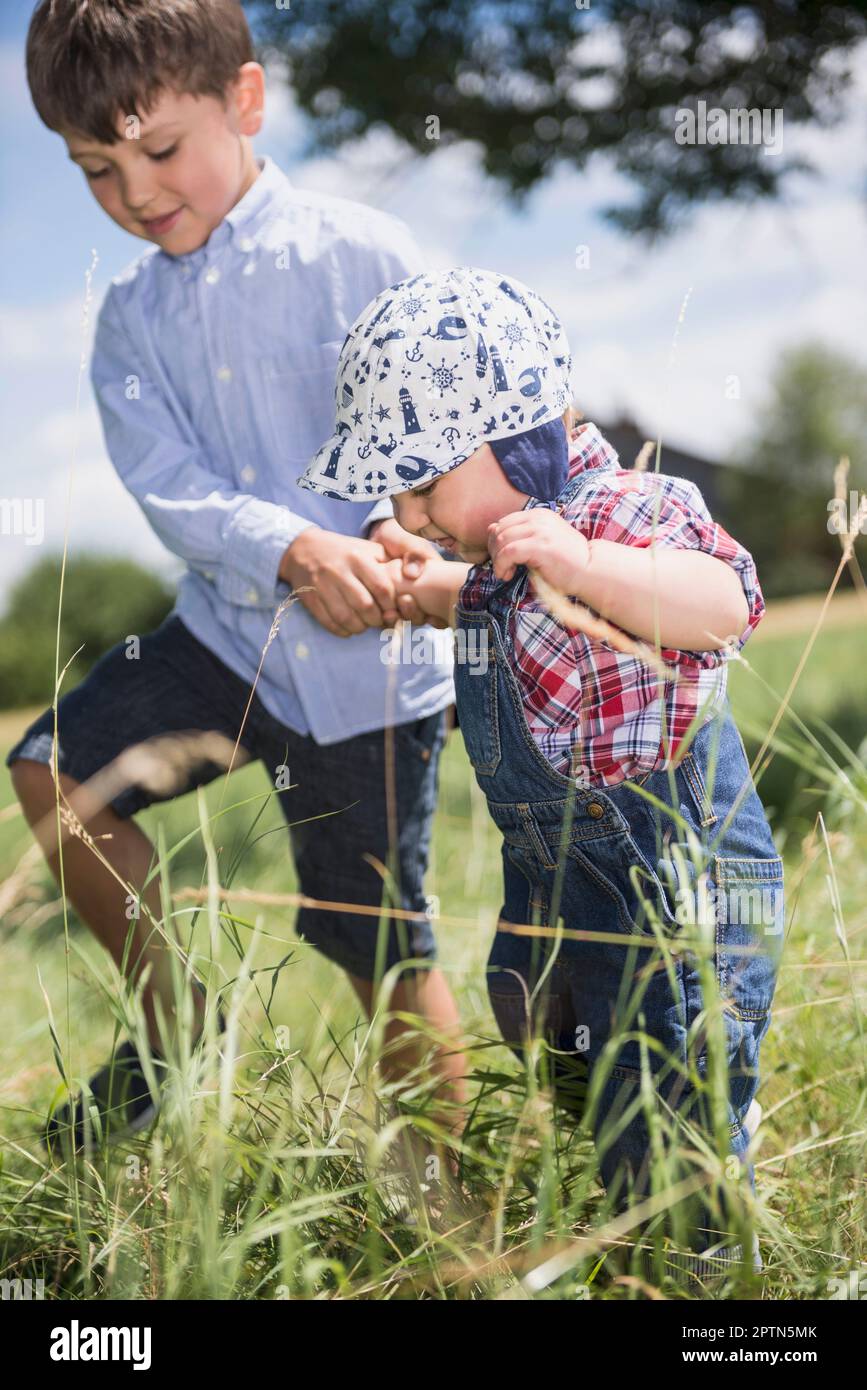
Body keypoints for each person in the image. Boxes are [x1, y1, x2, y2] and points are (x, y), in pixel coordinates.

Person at [10, 0, 468, 1155]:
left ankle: (457, 1209)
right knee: (50, 769)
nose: (135, 190)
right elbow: (165, 480)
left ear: (244, 103)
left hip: (372, 677)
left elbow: (441, 428)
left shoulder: (363, 252)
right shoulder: (129, 321)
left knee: (379, 939)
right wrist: (288, 546)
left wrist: (395, 522)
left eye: (159, 149)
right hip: (225, 636)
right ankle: (177, 1020)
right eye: (94, 169)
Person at [298, 264, 786, 1286]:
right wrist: (410, 570)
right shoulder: (498, 555)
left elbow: (722, 602)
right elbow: (464, 599)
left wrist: (584, 565)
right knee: (545, 1028)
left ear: (520, 435)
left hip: (671, 884)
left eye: (424, 483)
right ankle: (613, 1144)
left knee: (666, 1089)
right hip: (556, 876)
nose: (412, 507)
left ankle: (694, 1262)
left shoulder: (625, 511)